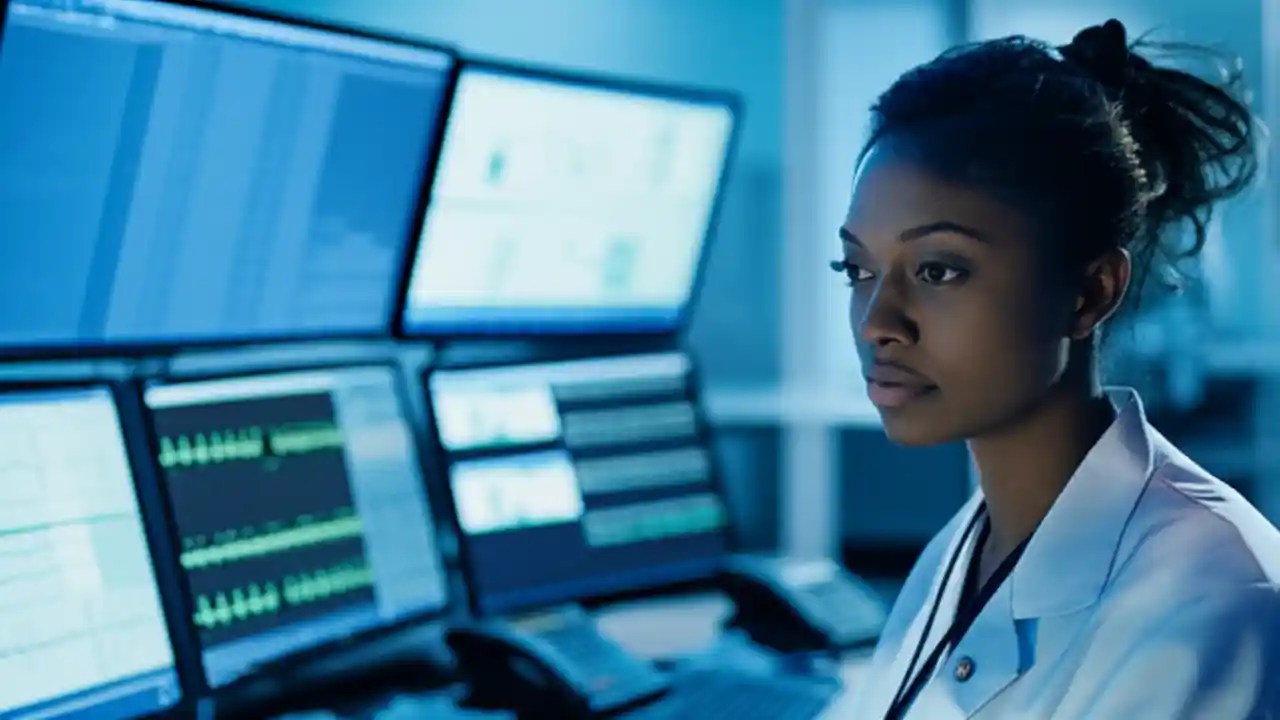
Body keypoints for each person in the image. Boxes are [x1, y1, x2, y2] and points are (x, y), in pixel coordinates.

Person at [826, 19, 1280, 719]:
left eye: (938, 270)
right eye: (858, 269)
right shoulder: (963, 549)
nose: (877, 322)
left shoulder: (1210, 604)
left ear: (1090, 291)